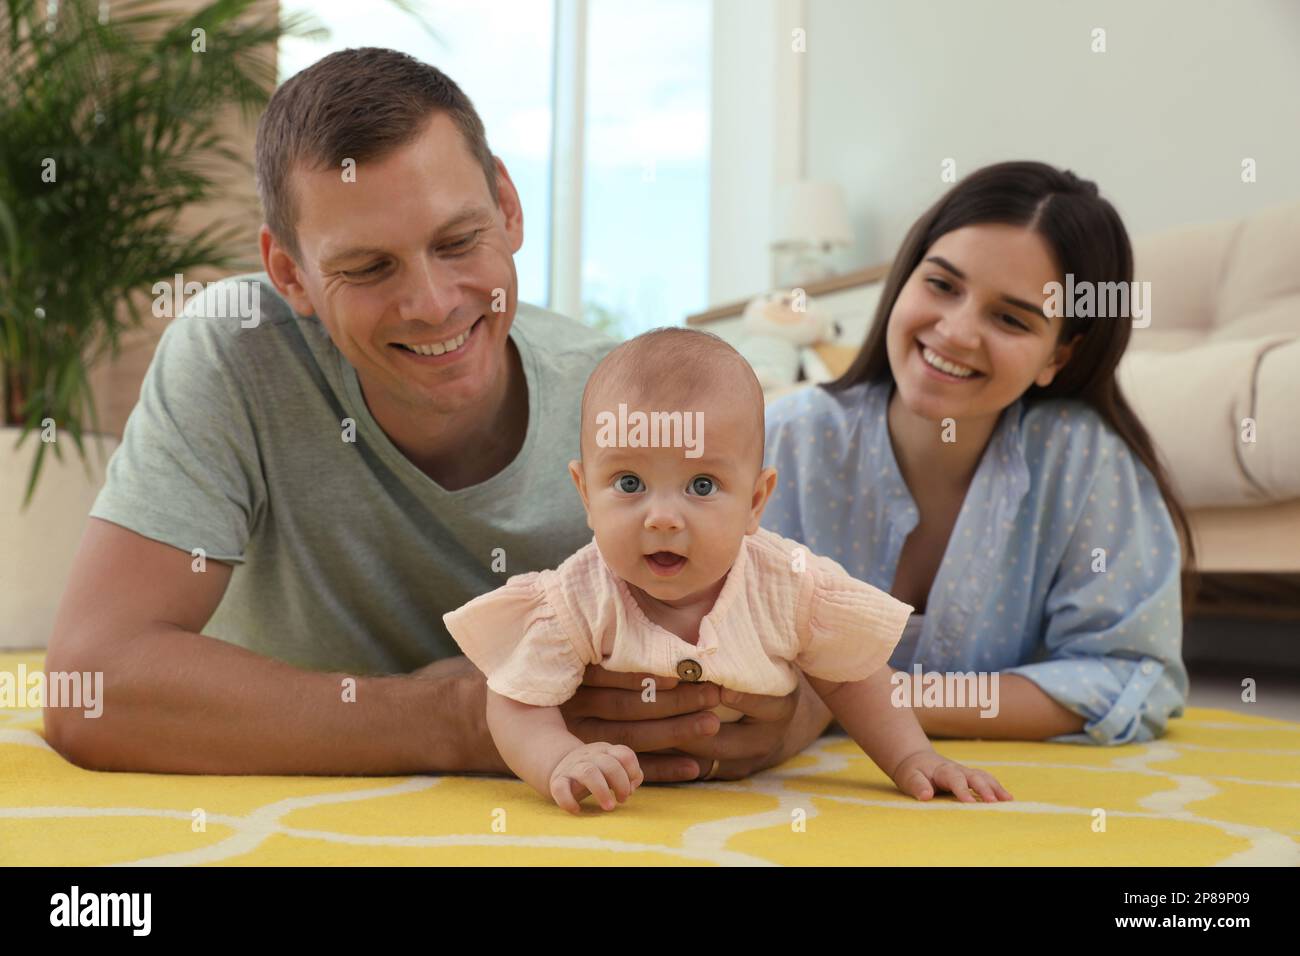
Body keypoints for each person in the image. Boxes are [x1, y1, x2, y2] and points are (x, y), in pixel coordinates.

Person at [42, 48, 836, 780]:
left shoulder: (622, 403)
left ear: (509, 208)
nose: (430, 305)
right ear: (290, 272)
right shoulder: (235, 352)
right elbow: (89, 686)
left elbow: (794, 637)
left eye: (459, 241)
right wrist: (459, 722)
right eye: (368, 267)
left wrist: (784, 714)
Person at [443, 328, 1014, 813]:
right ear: (584, 493)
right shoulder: (575, 597)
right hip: (636, 813)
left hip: (750, 796)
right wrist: (560, 759)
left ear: (755, 501)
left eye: (702, 486)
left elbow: (855, 675)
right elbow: (518, 699)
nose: (662, 518)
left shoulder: (788, 583)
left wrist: (913, 756)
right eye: (629, 484)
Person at [762, 161, 1192, 746]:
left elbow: (1130, 673)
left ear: (1057, 358)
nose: (957, 332)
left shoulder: (1083, 460)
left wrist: (865, 700)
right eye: (941, 285)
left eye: (1011, 318)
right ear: (905, 280)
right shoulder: (784, 440)